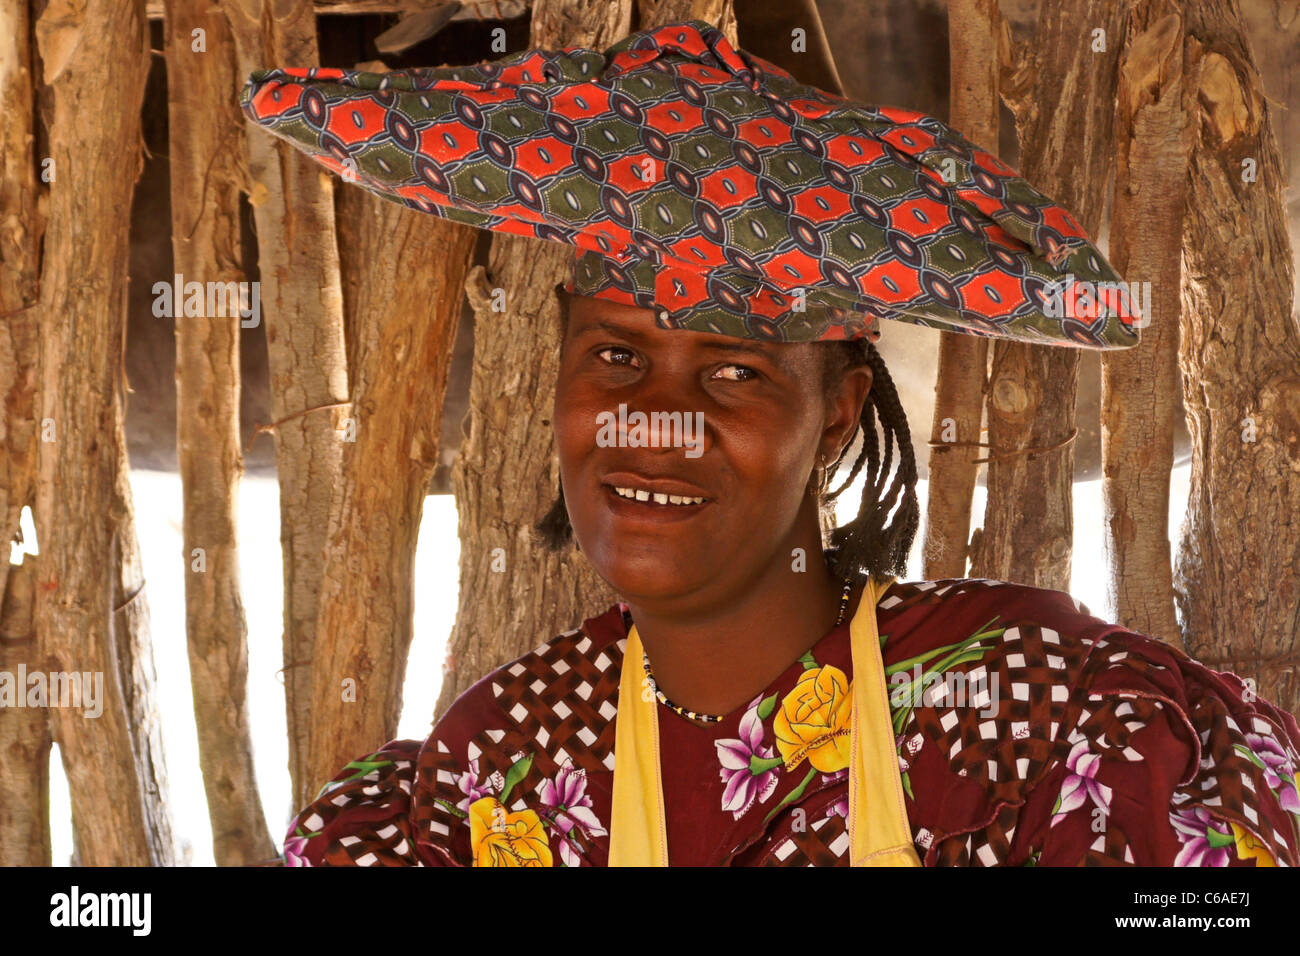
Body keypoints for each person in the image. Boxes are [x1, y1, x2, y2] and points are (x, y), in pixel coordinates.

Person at [242, 20, 1300, 866]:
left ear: (836, 410)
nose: (656, 417)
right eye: (614, 359)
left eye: (733, 372)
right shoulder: (506, 764)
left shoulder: (1032, 712)